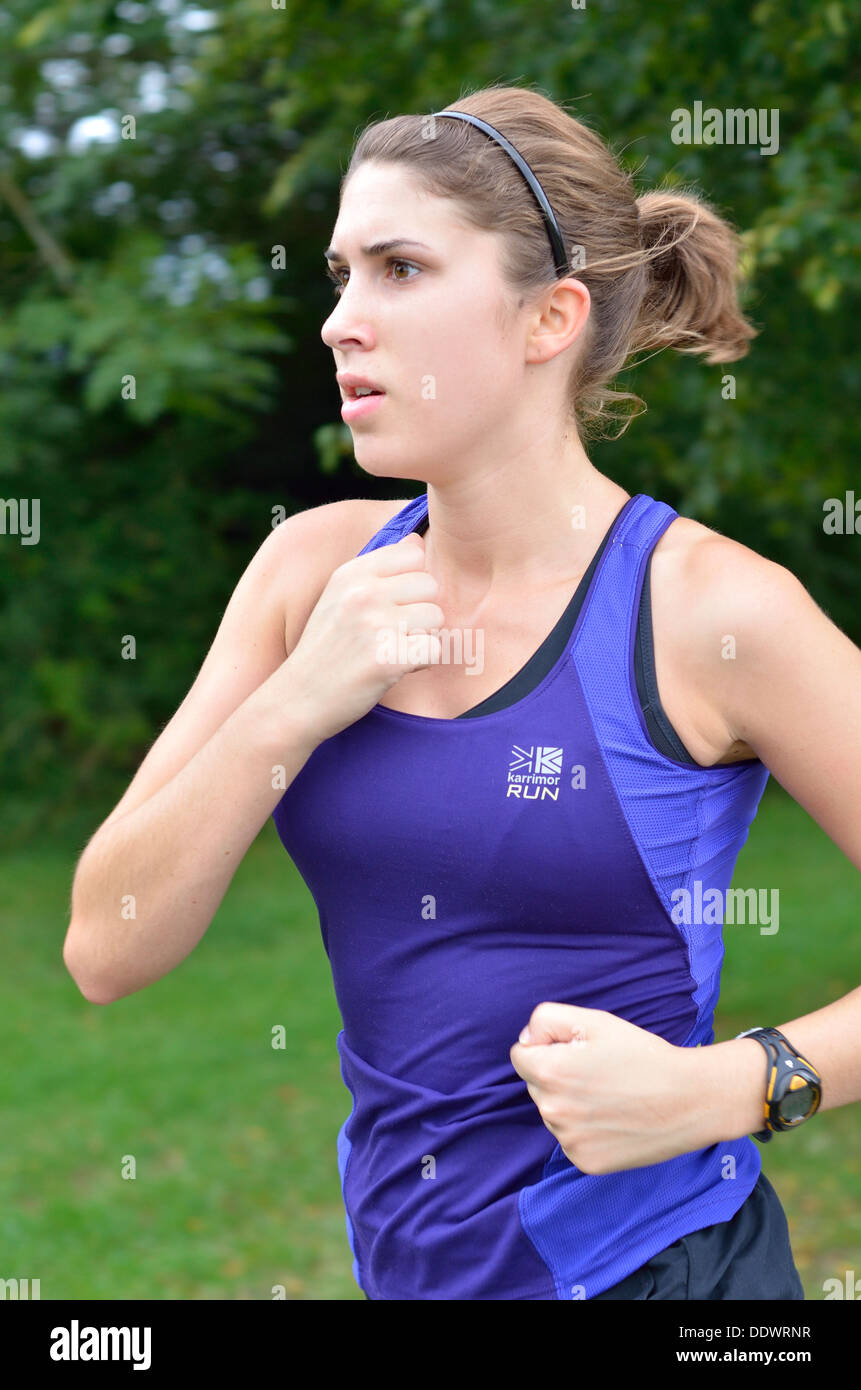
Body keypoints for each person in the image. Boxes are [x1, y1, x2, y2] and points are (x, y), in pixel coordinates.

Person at [64, 84, 861, 1301]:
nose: (340, 320)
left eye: (399, 268)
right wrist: (294, 705)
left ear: (549, 318)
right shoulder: (309, 573)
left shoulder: (709, 611)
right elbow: (104, 948)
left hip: (664, 1272)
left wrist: (731, 1086)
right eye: (340, 273)